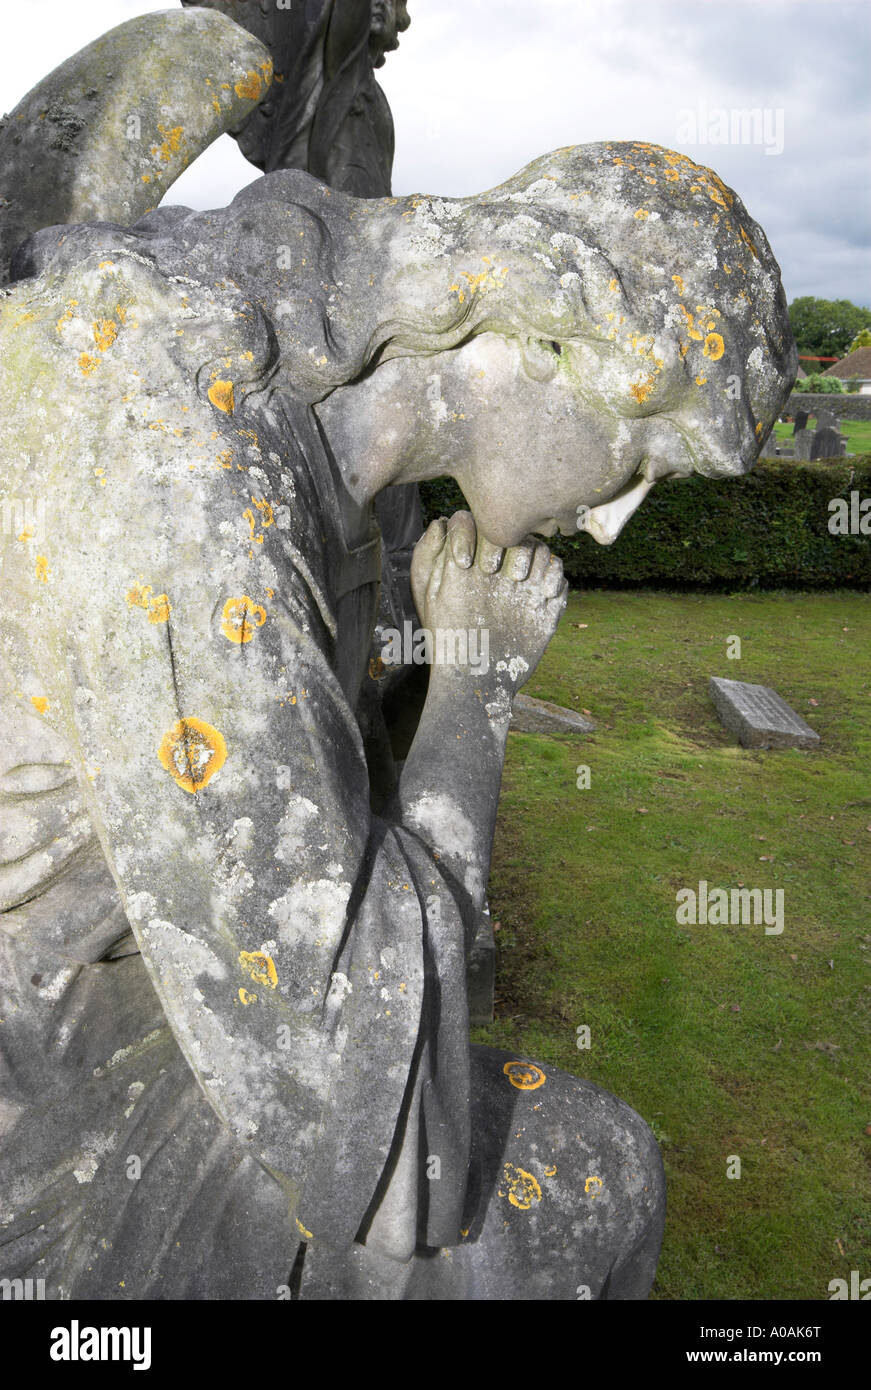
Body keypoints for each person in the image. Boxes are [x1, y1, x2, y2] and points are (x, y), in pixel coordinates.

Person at [0, 139, 795, 1298]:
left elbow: (341, 860)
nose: (619, 520)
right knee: (598, 1180)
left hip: (171, 1016)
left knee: (601, 1174)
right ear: (548, 328)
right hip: (64, 1100)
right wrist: (475, 689)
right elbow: (355, 1102)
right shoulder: (176, 452)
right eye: (644, 457)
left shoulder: (336, 453)